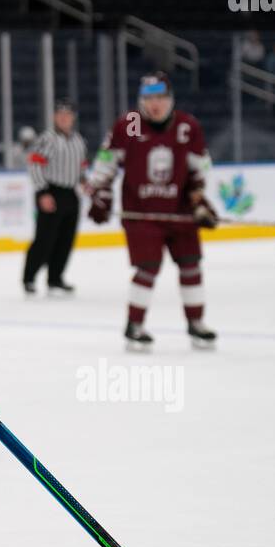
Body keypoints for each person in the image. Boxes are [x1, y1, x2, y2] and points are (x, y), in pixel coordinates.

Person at [86, 72, 218, 348]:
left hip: (179, 212)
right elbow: (106, 163)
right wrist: (101, 193)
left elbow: (200, 170)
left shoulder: (187, 126)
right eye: (148, 98)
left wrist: (199, 200)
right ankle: (134, 325)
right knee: (148, 267)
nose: (154, 104)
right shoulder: (128, 124)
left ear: (170, 99)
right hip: (141, 213)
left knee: (191, 264)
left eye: (160, 97)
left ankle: (196, 323)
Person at [22, 100, 87, 295]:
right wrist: (42, 192)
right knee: (45, 239)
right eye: (60, 113)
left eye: (68, 114)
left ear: (73, 117)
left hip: (70, 193)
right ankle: (29, 278)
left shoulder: (79, 140)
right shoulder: (47, 139)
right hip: (51, 192)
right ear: (54, 116)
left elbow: (81, 167)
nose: (64, 117)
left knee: (66, 239)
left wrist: (85, 183)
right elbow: (34, 165)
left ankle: (55, 278)